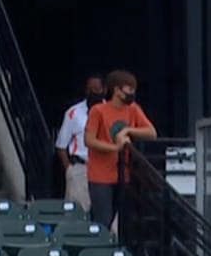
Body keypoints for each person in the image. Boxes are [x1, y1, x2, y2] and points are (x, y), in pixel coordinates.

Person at [83, 69, 156, 228]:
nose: (132, 93)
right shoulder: (98, 111)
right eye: (129, 89)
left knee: (124, 220)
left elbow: (151, 132)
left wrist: (128, 130)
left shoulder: (133, 109)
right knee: (103, 219)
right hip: (100, 175)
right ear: (116, 90)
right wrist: (114, 147)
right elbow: (89, 140)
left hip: (124, 174)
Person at [54, 74, 103, 211]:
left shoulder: (111, 111)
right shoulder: (73, 113)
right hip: (80, 169)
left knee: (108, 218)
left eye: (97, 89)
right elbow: (61, 145)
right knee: (77, 214)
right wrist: (69, 170)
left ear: (104, 90)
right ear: (86, 91)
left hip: (105, 170)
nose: (93, 92)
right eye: (90, 89)